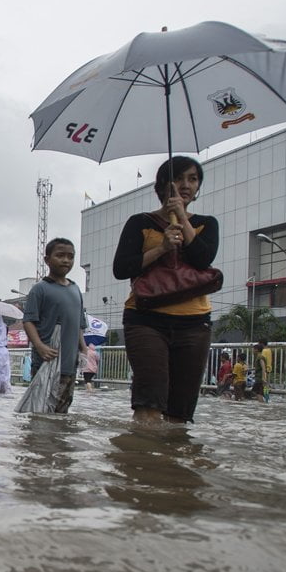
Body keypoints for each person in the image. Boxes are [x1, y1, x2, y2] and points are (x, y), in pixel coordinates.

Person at [113, 156, 219, 424]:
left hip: (194, 324)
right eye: (178, 178)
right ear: (162, 185)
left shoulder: (207, 223)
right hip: (145, 319)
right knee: (148, 401)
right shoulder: (140, 222)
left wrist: (182, 218)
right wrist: (161, 248)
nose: (186, 184)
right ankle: (142, 462)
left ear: (198, 187)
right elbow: (122, 268)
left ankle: (171, 463)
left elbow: (202, 259)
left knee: (179, 412)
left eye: (193, 179)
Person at [22, 238, 88, 413]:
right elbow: (28, 321)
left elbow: (79, 325)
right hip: (47, 360)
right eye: (60, 255)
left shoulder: (75, 290)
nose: (66, 260)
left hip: (69, 363)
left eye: (70, 256)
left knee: (62, 410)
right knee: (41, 410)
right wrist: (40, 346)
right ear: (47, 260)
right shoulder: (40, 289)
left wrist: (84, 350)